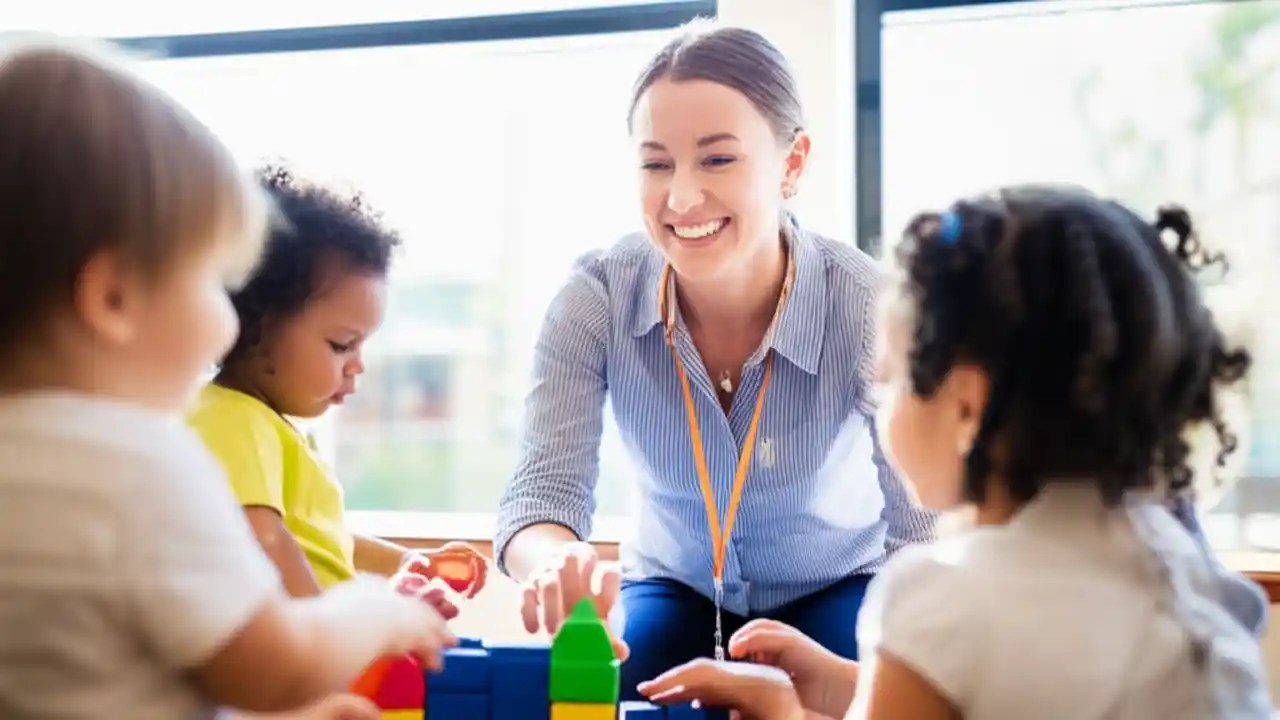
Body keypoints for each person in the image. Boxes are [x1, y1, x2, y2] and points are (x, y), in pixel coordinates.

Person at [635, 186, 1273, 719]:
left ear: (966, 407)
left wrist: (781, 714)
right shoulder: (1180, 566)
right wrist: (836, 683)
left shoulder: (940, 597)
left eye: (889, 385)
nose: (880, 410)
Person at [0, 36, 454, 718]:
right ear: (114, 300)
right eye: (213, 284)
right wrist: (375, 616)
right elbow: (276, 669)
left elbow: (103, 675)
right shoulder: (141, 468)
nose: (227, 319)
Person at [494, 22, 935, 697]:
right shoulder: (596, 300)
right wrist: (556, 564)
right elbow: (539, 496)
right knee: (620, 686)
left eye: (718, 159)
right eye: (656, 163)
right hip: (676, 583)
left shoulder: (867, 306)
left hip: (836, 582)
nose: (681, 197)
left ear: (791, 164)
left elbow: (924, 536)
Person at [188, 165, 487, 600]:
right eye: (341, 345)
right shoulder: (234, 420)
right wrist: (329, 630)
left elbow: (322, 539)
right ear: (257, 325)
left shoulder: (268, 428)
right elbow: (264, 540)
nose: (356, 366)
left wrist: (403, 563)